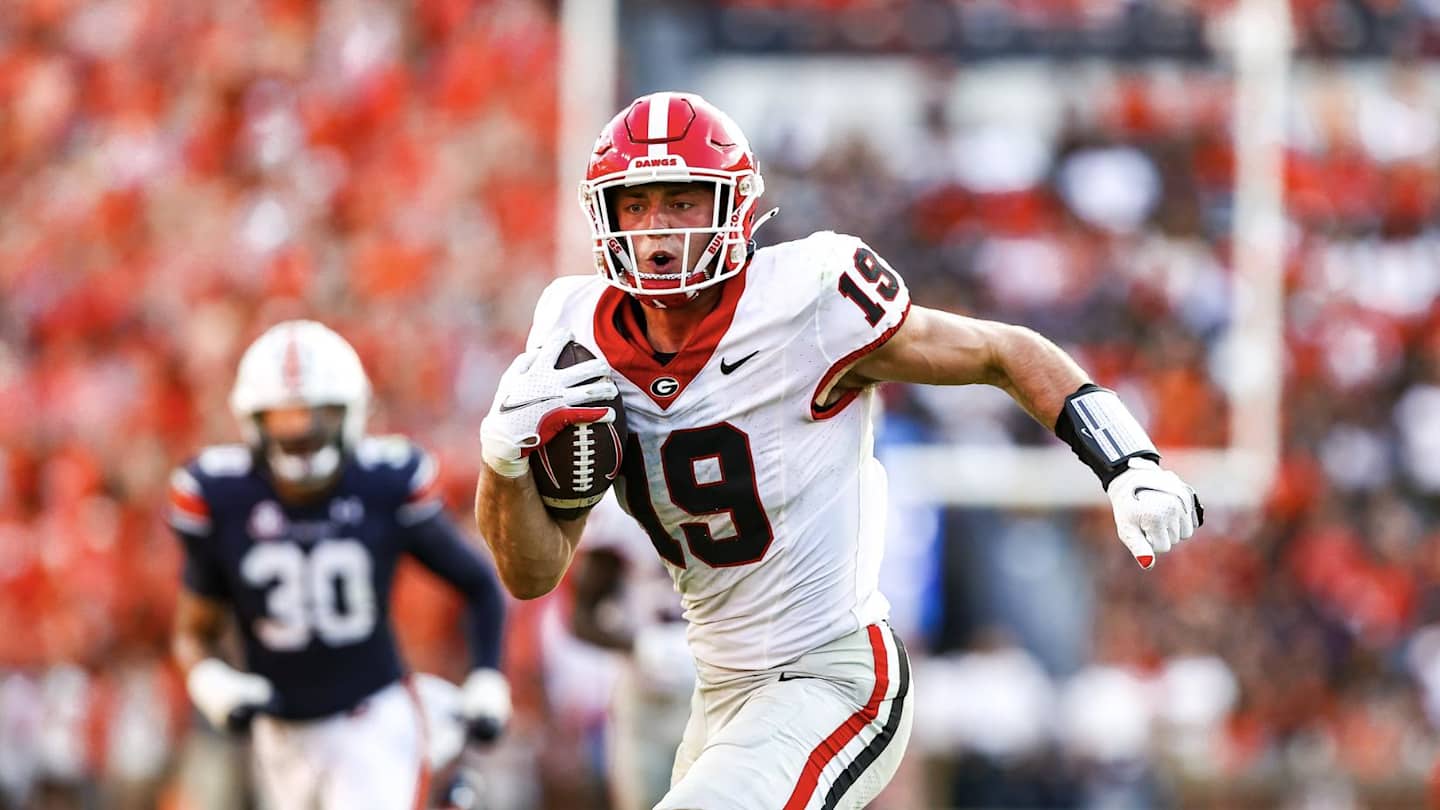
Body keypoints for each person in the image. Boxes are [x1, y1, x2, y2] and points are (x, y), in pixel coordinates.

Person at [475, 92, 1203, 810]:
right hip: (721, 689)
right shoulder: (575, 332)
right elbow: (532, 572)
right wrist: (503, 461)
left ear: (732, 206)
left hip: (831, 675)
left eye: (682, 200)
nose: (658, 229)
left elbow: (999, 351)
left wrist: (1126, 459)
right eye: (637, 205)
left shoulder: (809, 297)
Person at [169, 320, 512, 810]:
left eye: (317, 416)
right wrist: (210, 680)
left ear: (349, 414)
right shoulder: (221, 495)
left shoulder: (384, 481)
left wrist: (486, 675)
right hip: (278, 733)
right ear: (254, 422)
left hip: (370, 719)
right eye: (285, 419)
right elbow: (194, 627)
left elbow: (479, 584)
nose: (302, 433)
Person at [569, 493, 694, 810]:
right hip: (644, 695)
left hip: (717, 685)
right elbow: (581, 616)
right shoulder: (622, 510)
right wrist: (637, 645)